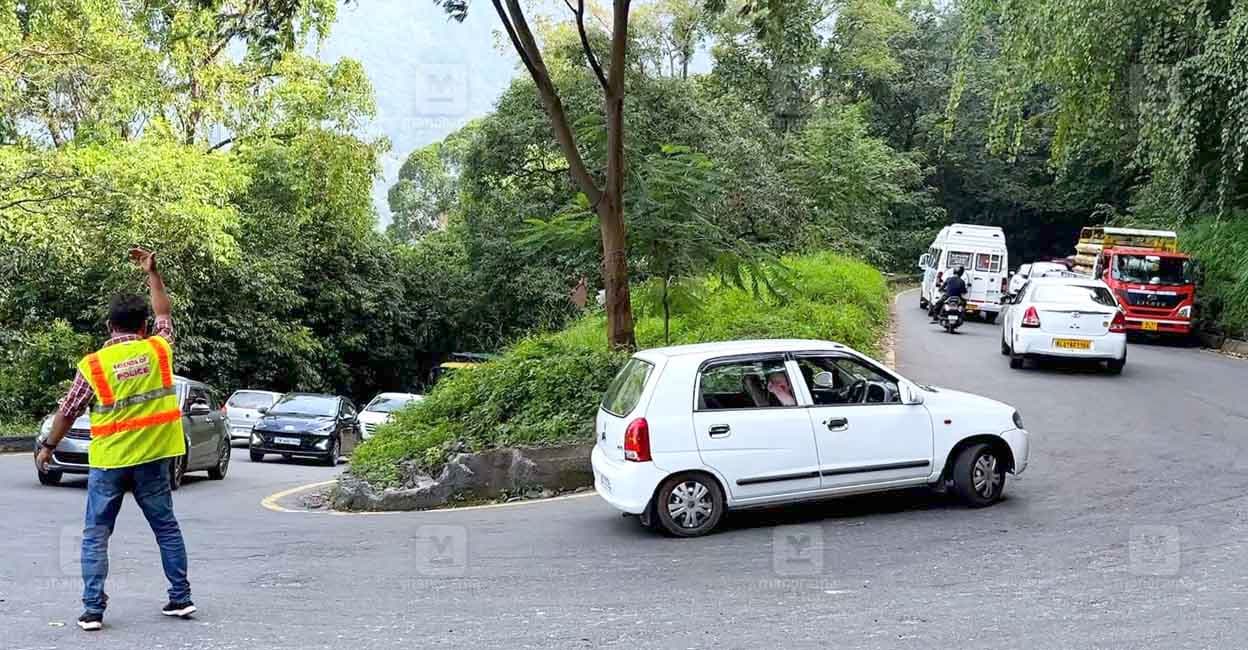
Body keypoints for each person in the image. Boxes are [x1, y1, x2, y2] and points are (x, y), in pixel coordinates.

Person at [35, 248, 196, 632]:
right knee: (166, 528)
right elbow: (165, 314)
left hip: (109, 462)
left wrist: (48, 448)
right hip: (154, 459)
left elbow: (69, 410)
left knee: (95, 535)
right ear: (142, 327)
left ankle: (93, 610)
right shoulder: (158, 350)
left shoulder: (93, 365)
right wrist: (152, 273)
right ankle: (181, 598)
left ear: (109, 326)